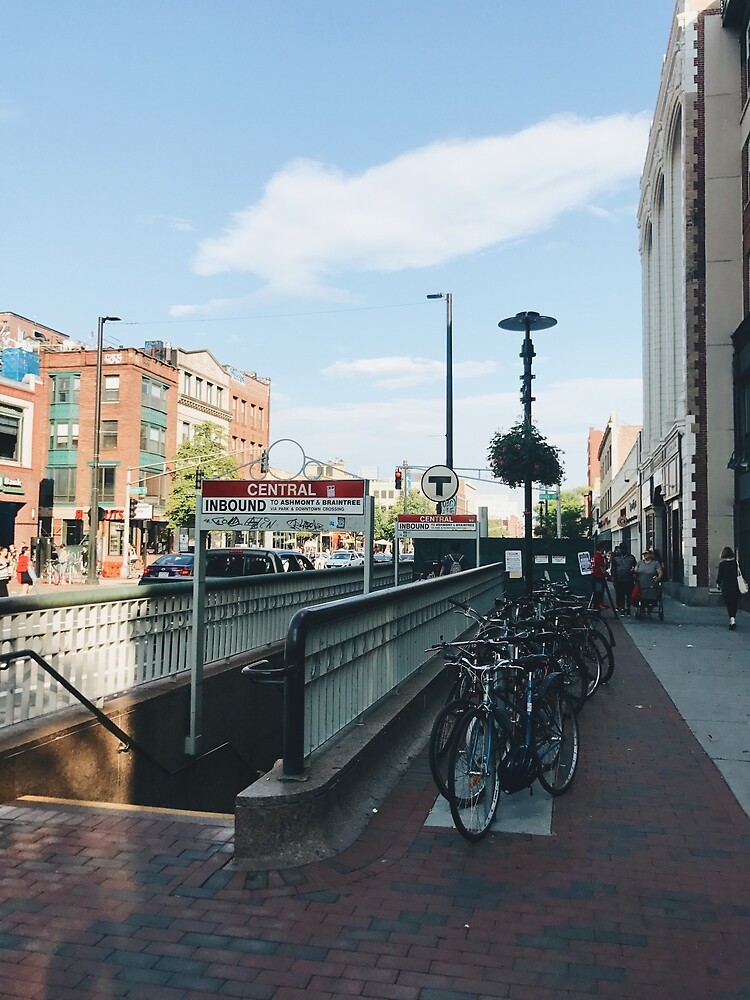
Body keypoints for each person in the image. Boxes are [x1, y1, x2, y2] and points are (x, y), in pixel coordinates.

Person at [717, 545, 741, 631]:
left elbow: (720, 576)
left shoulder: (722, 565)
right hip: (735, 586)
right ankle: (733, 618)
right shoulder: (736, 563)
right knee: (734, 603)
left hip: (726, 586)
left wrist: (718, 584)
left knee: (729, 604)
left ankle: (731, 619)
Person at [634, 549, 663, 615]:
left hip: (651, 584)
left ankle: (649, 612)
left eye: (646, 553)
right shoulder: (640, 562)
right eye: (643, 554)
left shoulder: (655, 563)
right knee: (641, 598)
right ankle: (643, 611)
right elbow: (635, 570)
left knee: (651, 599)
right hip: (641, 584)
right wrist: (633, 571)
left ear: (650, 554)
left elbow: (660, 572)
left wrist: (658, 578)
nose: (644, 555)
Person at [611, 544, 637, 615]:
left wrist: (633, 571)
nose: (622, 550)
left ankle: (628, 608)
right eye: (621, 549)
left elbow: (635, 566)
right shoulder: (615, 557)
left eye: (624, 549)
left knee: (629, 595)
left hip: (629, 579)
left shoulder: (631, 557)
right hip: (619, 579)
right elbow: (613, 568)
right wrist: (613, 578)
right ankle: (621, 607)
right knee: (620, 595)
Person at [590, 543, 608, 609]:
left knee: (596, 594)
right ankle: (596, 610)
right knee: (599, 594)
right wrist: (609, 576)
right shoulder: (599, 557)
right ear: (602, 548)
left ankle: (595, 608)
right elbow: (602, 569)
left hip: (594, 577)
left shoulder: (594, 556)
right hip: (599, 579)